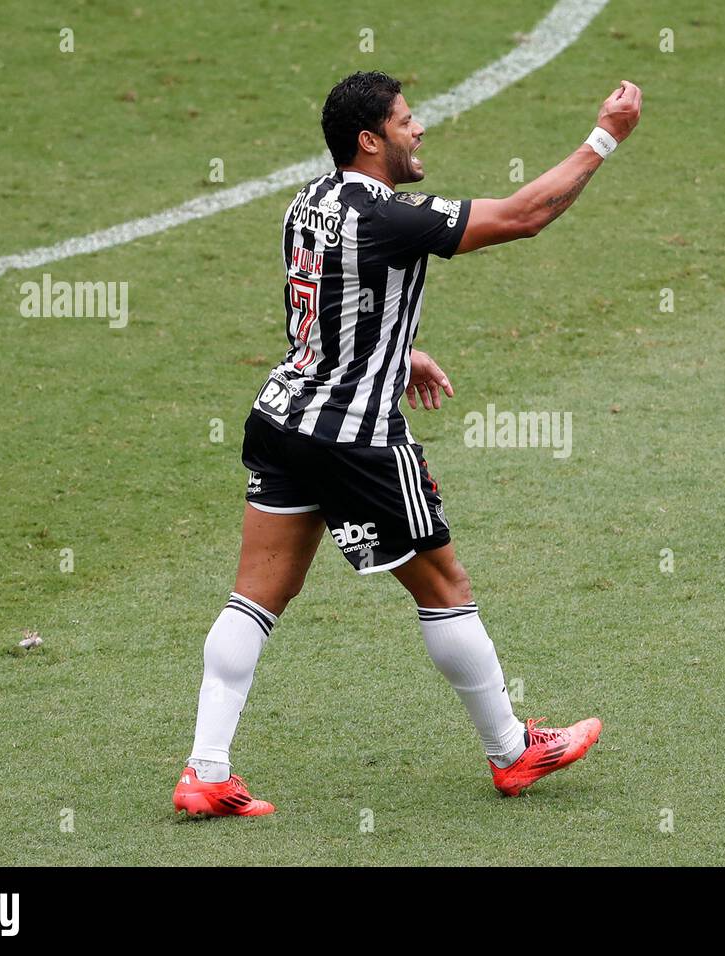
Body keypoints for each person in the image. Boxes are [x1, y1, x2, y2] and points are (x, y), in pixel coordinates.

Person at [173, 71, 642, 815]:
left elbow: (330, 298)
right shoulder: (389, 212)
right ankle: (513, 752)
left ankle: (205, 770)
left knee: (257, 596)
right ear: (371, 139)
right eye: (406, 120)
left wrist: (400, 350)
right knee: (445, 586)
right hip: (355, 441)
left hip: (283, 419)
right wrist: (604, 138)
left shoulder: (308, 201)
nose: (419, 129)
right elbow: (523, 216)